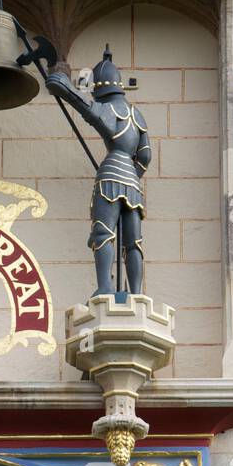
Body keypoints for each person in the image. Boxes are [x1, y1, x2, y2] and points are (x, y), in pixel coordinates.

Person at [47, 47, 151, 295]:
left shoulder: (110, 109)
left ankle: (105, 287)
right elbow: (145, 156)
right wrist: (131, 175)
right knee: (133, 242)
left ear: (101, 88)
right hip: (133, 183)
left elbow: (89, 110)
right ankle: (136, 293)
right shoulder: (137, 115)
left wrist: (64, 87)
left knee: (103, 233)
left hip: (111, 175)